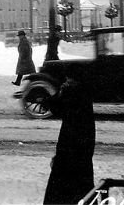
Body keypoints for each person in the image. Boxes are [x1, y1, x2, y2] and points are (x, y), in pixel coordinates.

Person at [42, 65, 95, 204]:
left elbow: (54, 107)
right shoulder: (82, 93)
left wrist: (60, 92)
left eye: (68, 79)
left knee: (61, 189)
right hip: (82, 152)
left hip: (69, 151)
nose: (66, 82)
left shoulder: (72, 92)